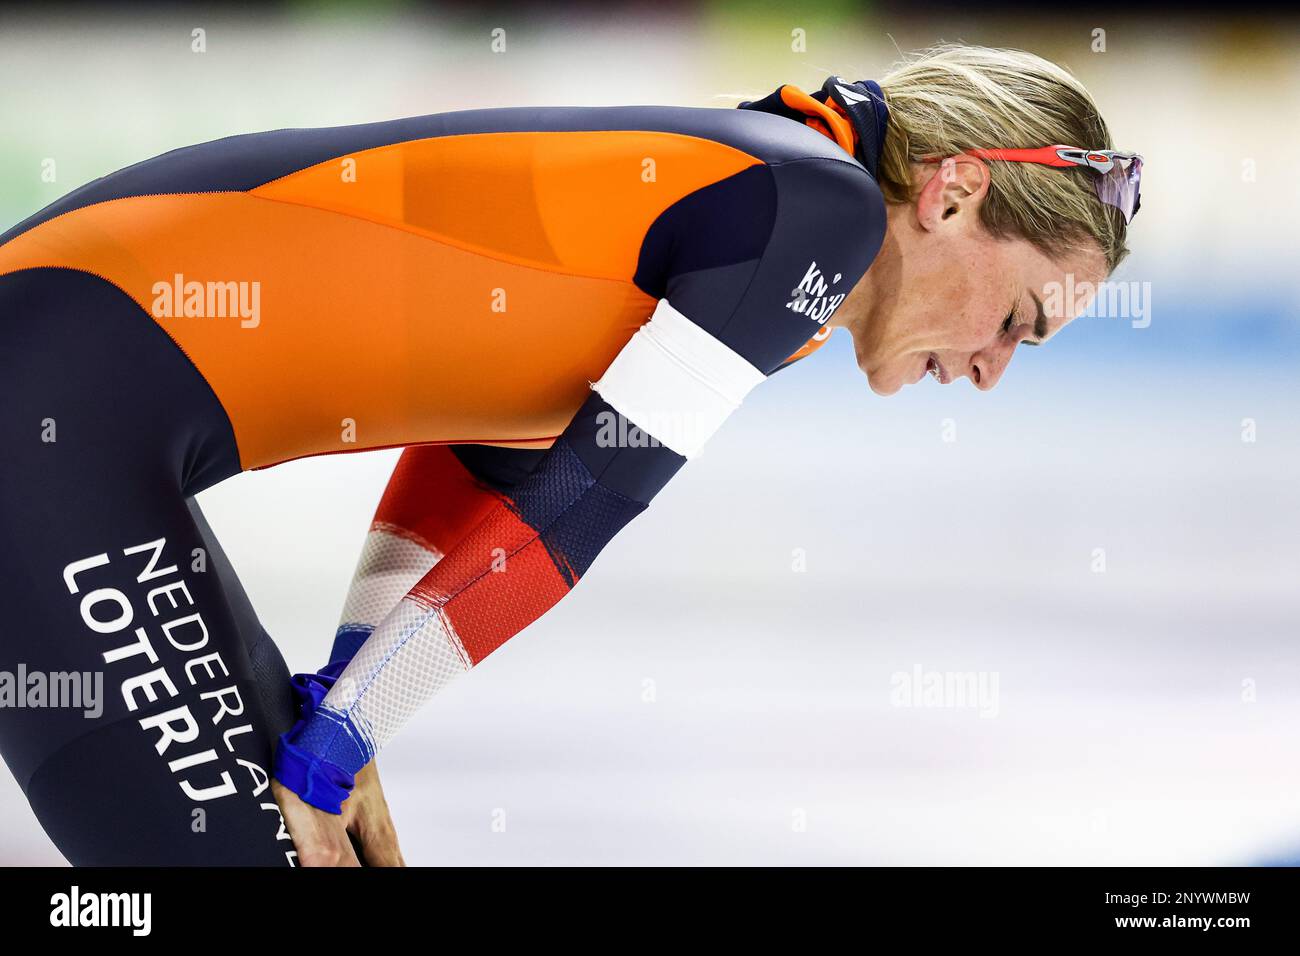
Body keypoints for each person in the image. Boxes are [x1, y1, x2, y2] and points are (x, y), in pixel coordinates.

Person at [0, 44, 1138, 866]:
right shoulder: (816, 210)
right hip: (47, 387)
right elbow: (576, 511)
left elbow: (477, 463)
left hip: (72, 398)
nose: (993, 366)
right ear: (954, 192)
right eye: (1021, 320)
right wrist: (336, 737)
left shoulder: (778, 217)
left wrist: (340, 708)